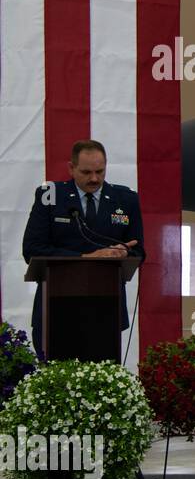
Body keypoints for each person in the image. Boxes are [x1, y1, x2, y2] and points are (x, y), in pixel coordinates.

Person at [21, 139, 146, 358]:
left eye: (100, 171)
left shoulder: (125, 199)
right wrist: (85, 256)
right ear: (71, 168)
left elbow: (139, 251)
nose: (94, 178)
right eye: (86, 172)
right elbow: (32, 249)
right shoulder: (50, 196)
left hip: (106, 308)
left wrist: (124, 253)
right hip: (56, 308)